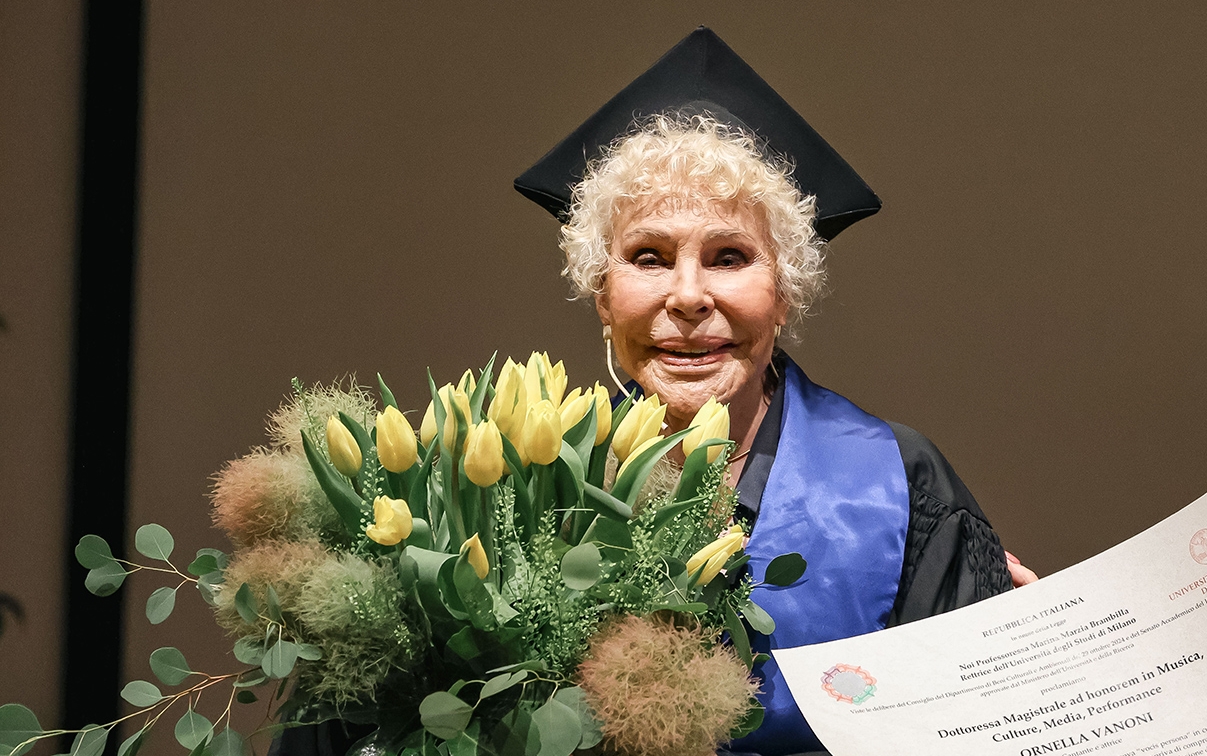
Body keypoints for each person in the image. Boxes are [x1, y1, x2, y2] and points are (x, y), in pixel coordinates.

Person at [513, 26, 1028, 756]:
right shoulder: (521, 491)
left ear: (784, 294)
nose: (688, 296)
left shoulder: (899, 485)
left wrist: (1033, 673)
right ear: (602, 295)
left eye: (729, 257)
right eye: (648, 257)